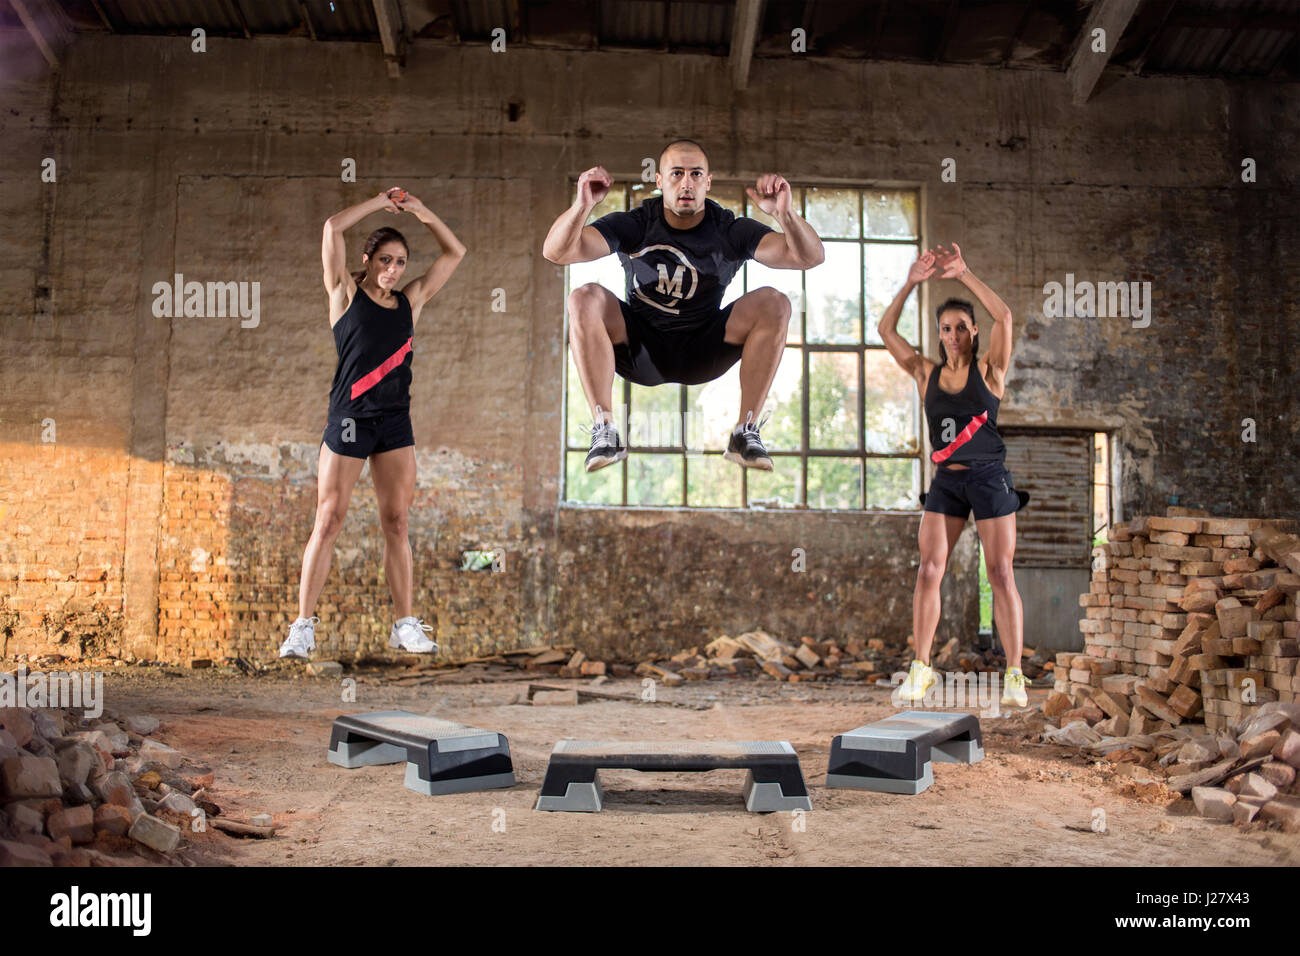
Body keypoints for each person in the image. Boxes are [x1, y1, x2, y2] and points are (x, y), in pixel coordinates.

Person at [543, 139, 825, 472]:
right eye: (676, 173)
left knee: (774, 303)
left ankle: (744, 433)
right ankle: (604, 430)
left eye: (696, 174)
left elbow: (809, 257)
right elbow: (556, 252)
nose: (686, 183)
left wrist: (785, 214)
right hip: (640, 351)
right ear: (660, 181)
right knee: (583, 296)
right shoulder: (638, 224)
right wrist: (582, 206)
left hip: (703, 351)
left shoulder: (729, 230)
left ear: (708, 182)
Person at [278, 187, 466, 660]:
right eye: (385, 260)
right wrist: (381, 201)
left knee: (397, 521)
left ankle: (404, 623)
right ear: (369, 258)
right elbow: (331, 228)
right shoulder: (343, 293)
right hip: (349, 420)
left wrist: (421, 211)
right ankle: (302, 627)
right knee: (330, 517)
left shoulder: (411, 302)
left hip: (394, 423)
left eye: (401, 262)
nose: (394, 270)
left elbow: (455, 252)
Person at [877, 243, 1030, 708]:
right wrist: (910, 282)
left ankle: (1015, 673)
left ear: (972, 331)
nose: (953, 334)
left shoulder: (991, 370)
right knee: (929, 569)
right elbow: (885, 329)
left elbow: (1005, 316)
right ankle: (921, 669)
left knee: (1000, 572)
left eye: (961, 327)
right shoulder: (924, 373)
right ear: (940, 334)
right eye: (946, 328)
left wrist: (963, 273)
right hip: (946, 481)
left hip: (988, 477)